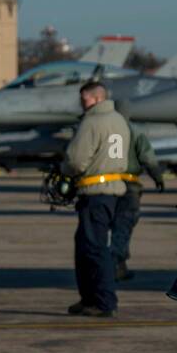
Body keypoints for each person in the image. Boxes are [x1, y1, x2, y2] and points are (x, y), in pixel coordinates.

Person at [65, 82, 130, 316]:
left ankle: (104, 302)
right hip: (113, 192)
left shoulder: (91, 122)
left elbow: (75, 159)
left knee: (94, 248)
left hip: (95, 193)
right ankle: (89, 298)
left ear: (94, 98)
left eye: (84, 99)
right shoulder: (119, 120)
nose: (82, 104)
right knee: (86, 246)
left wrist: (66, 170)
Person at [110, 99, 166, 282]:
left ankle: (113, 265)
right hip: (129, 186)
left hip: (105, 186)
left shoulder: (106, 128)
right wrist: (157, 177)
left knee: (104, 226)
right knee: (124, 225)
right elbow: (147, 157)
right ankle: (116, 265)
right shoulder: (134, 130)